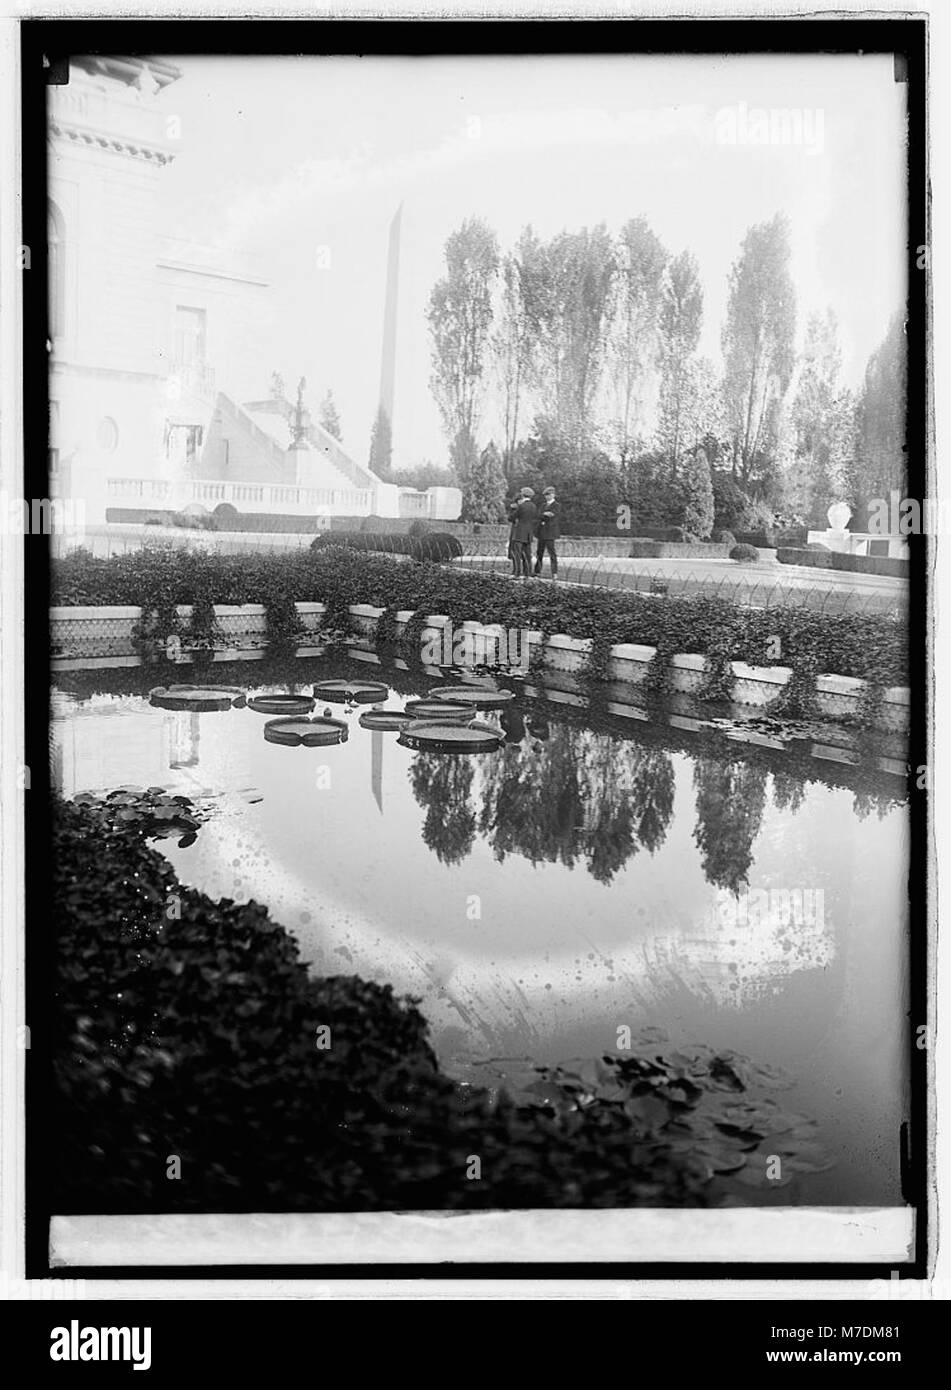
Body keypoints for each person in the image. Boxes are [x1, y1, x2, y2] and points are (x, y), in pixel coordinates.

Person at [507, 486, 538, 579]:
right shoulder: (534, 506)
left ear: (523, 495)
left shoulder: (521, 506)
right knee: (527, 554)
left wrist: (512, 509)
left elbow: (511, 518)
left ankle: (517, 573)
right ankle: (527, 573)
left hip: (519, 532)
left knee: (517, 553)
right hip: (528, 533)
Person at [534, 486, 561, 578]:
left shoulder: (556, 505)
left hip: (550, 533)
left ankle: (554, 572)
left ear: (553, 495)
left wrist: (544, 515)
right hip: (541, 532)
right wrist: (544, 514)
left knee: (552, 553)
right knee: (539, 553)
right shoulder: (543, 505)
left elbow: (551, 515)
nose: (547, 497)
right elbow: (538, 515)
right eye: (545, 495)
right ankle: (537, 571)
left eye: (548, 495)